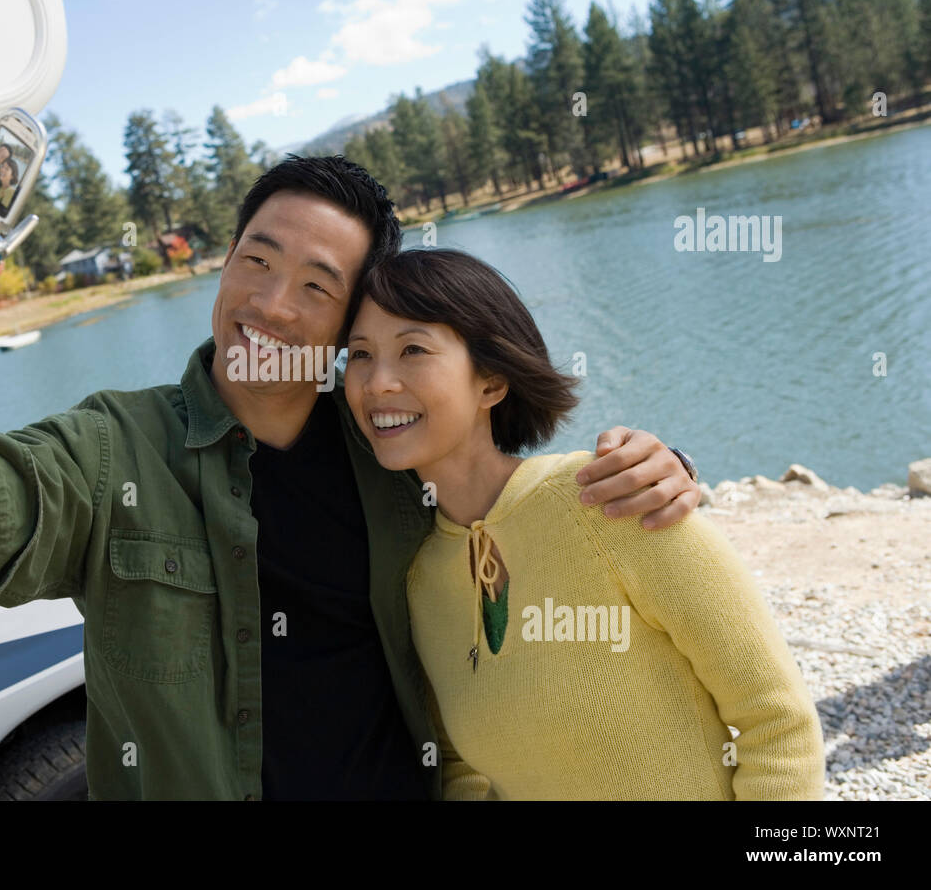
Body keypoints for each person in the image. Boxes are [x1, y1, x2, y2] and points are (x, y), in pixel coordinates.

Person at [0, 154, 702, 800]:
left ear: (349, 319)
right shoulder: (116, 447)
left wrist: (651, 470)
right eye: (257, 260)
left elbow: (518, 498)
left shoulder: (392, 450)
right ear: (226, 260)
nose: (272, 304)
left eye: (317, 287)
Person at [342, 246, 825, 800]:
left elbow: (779, 724)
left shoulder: (612, 501)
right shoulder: (421, 578)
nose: (378, 382)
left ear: (492, 382)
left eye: (413, 349)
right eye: (360, 355)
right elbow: (461, 766)